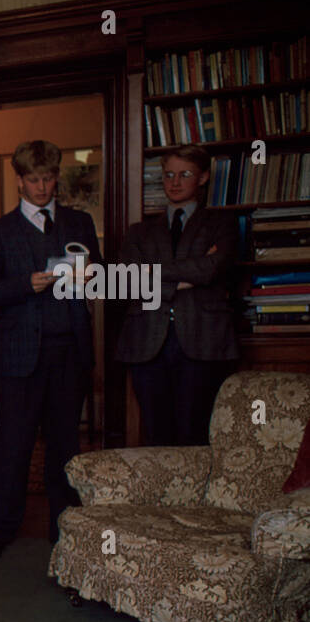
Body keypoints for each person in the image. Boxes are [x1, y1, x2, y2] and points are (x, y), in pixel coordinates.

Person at [0, 140, 101, 561]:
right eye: (33, 179)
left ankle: (64, 530)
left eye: (48, 178)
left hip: (71, 351)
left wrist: (89, 280)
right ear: (19, 181)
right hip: (20, 356)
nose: (42, 186)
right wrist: (25, 284)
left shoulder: (80, 224)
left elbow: (99, 280)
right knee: (13, 444)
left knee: (66, 447)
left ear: (56, 177)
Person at [116, 144, 239, 446]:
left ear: (203, 177)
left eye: (185, 174)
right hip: (147, 341)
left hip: (202, 339)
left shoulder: (221, 224)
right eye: (168, 175)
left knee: (194, 433)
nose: (174, 182)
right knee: (157, 435)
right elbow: (126, 280)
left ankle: (192, 495)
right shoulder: (138, 232)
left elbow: (212, 270)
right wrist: (186, 277)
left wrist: (152, 272)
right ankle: (164, 495)